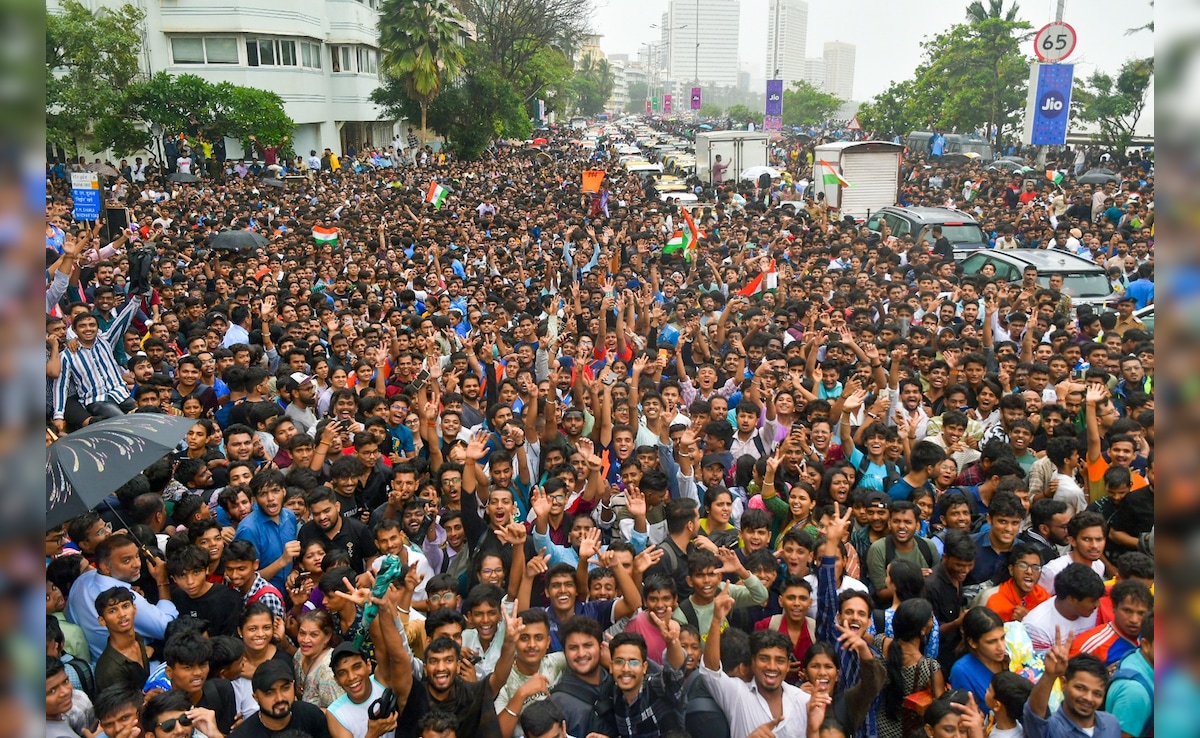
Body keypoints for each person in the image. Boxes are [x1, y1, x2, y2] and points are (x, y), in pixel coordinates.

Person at [1024, 629, 1121, 738]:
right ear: (1064, 683)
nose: (1088, 698)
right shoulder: (1050, 729)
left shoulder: (1111, 725)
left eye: (1097, 694)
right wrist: (1049, 675)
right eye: (1080, 688)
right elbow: (1035, 714)